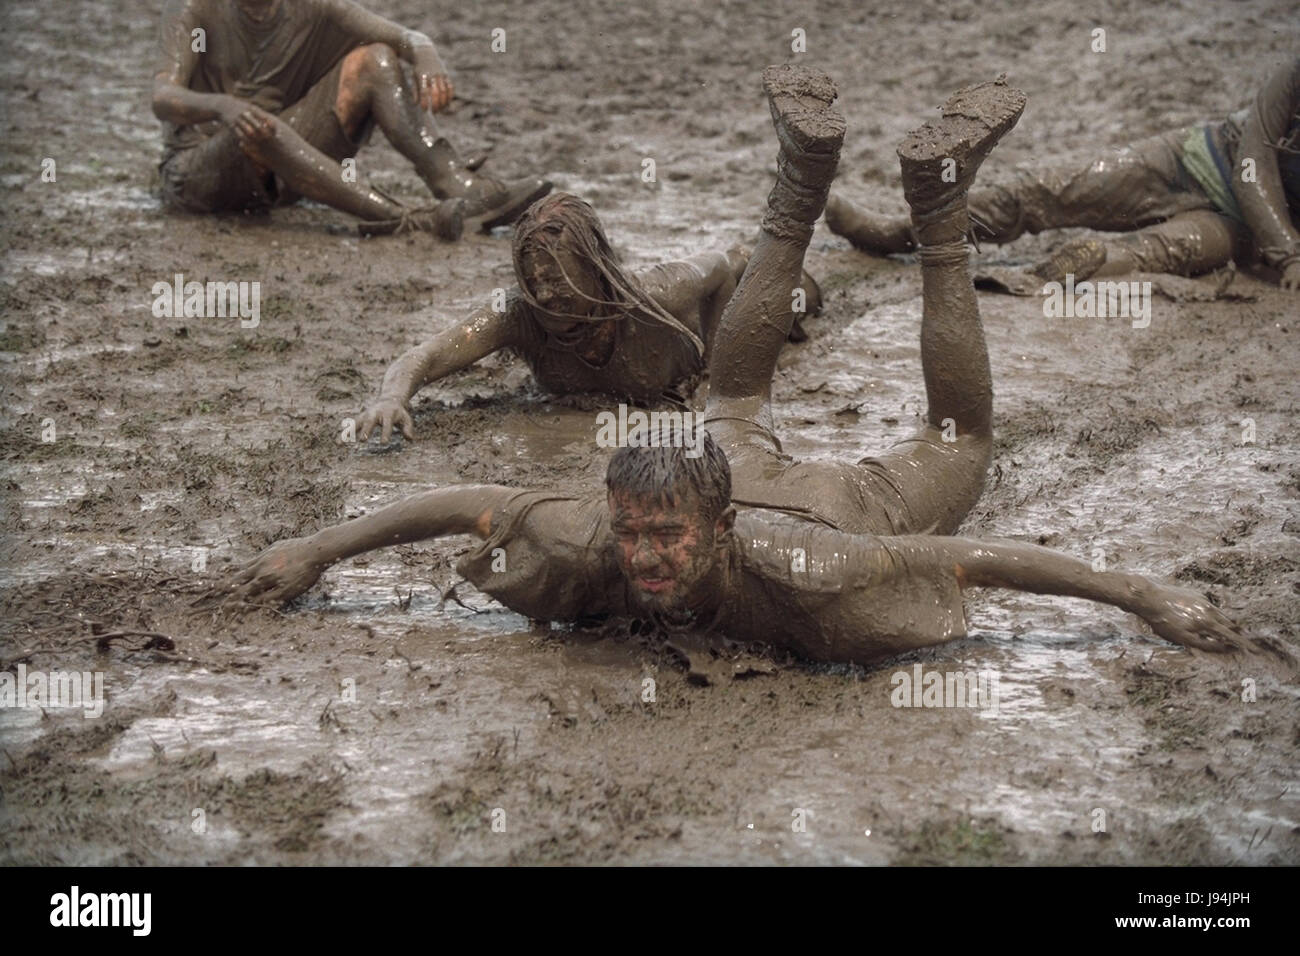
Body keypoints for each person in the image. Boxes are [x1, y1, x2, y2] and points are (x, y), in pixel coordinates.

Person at [212, 66, 1258, 664]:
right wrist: (314, 549)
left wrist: (1138, 592)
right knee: (732, 394)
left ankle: (937, 211)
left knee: (959, 444)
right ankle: (803, 179)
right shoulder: (599, 530)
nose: (646, 561)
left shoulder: (815, 565)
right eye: (637, 540)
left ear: (714, 533)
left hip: (835, 503)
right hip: (715, 451)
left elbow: (978, 558)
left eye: (664, 542)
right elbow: (454, 503)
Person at [356, 192, 821, 444]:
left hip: (735, 291)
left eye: (560, 284)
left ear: (598, 271)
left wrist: (717, 378)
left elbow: (719, 267)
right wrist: (390, 397)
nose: (546, 296)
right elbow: (427, 353)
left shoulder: (653, 293)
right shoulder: (518, 314)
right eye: (534, 284)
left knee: (796, 298)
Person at [825, 57, 1300, 291]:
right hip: (1197, 156)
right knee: (1048, 190)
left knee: (1157, 254)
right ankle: (897, 233)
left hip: (1243, 229)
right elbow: (1252, 165)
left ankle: (1041, 277)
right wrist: (1289, 257)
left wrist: (1280, 251)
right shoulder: (1292, 75)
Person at [151, 0, 552, 239]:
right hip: (199, 173)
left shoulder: (311, 6)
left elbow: (402, 38)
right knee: (256, 125)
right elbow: (163, 97)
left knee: (374, 60)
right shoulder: (194, 7)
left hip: (282, 169)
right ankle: (403, 221)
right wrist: (224, 107)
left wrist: (425, 52)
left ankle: (458, 184)